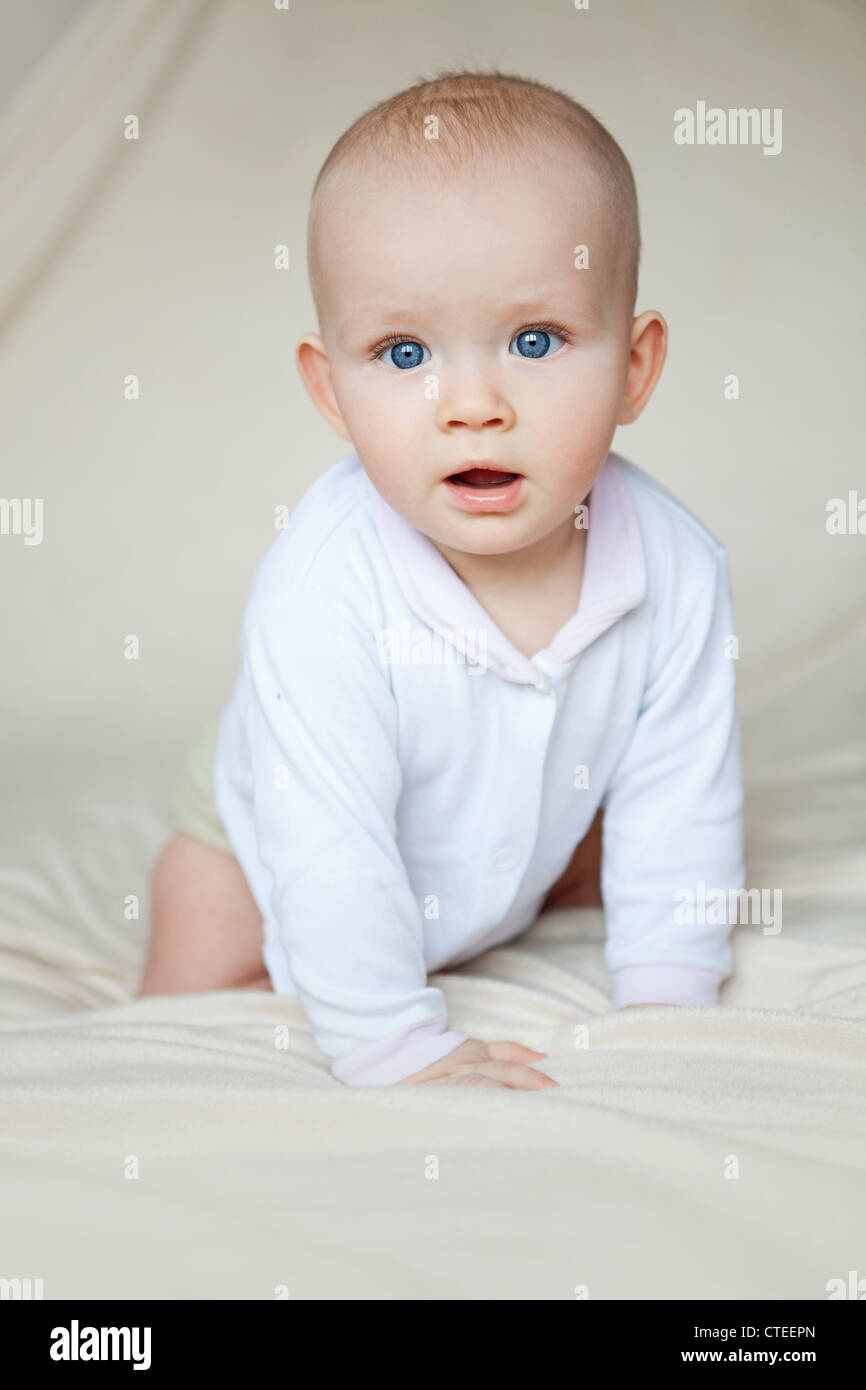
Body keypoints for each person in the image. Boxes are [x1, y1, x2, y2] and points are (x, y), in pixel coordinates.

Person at [138, 70, 744, 1090]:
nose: (471, 403)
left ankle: (508, 887)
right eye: (403, 350)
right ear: (329, 387)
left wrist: (666, 991)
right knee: (198, 998)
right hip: (271, 818)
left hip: (523, 794)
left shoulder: (677, 565)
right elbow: (323, 842)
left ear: (634, 368)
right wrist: (394, 1042)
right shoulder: (320, 585)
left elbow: (682, 790)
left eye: (535, 340)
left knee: (613, 814)